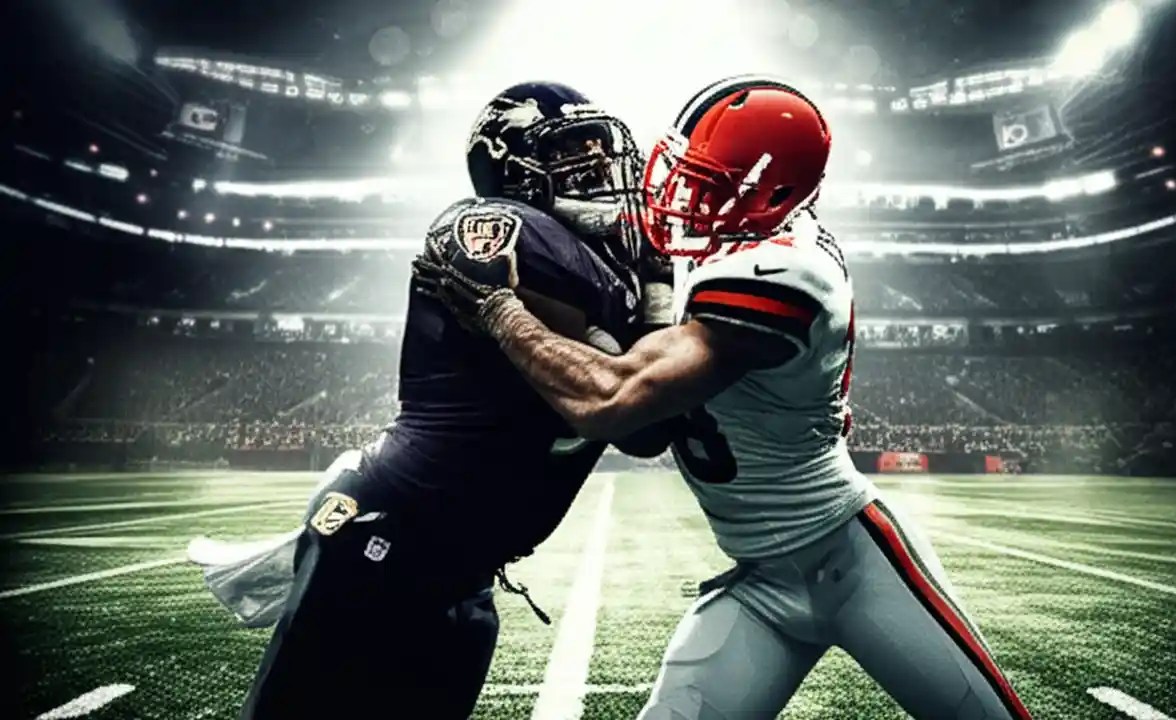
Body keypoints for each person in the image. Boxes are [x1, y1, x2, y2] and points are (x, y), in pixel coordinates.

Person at [416, 75, 1032, 719]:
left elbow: (613, 397)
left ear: (766, 195)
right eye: (684, 172)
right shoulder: (738, 239)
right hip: (762, 580)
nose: (678, 196)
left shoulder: (788, 271)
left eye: (706, 185)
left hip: (850, 563)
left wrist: (499, 312)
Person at [235, 80, 670, 720]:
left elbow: (648, 432)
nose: (601, 165)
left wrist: (651, 294)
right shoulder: (494, 225)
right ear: (513, 167)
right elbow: (620, 398)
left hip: (462, 569)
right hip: (382, 537)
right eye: (575, 148)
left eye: (602, 149)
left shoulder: (606, 267)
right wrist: (651, 306)